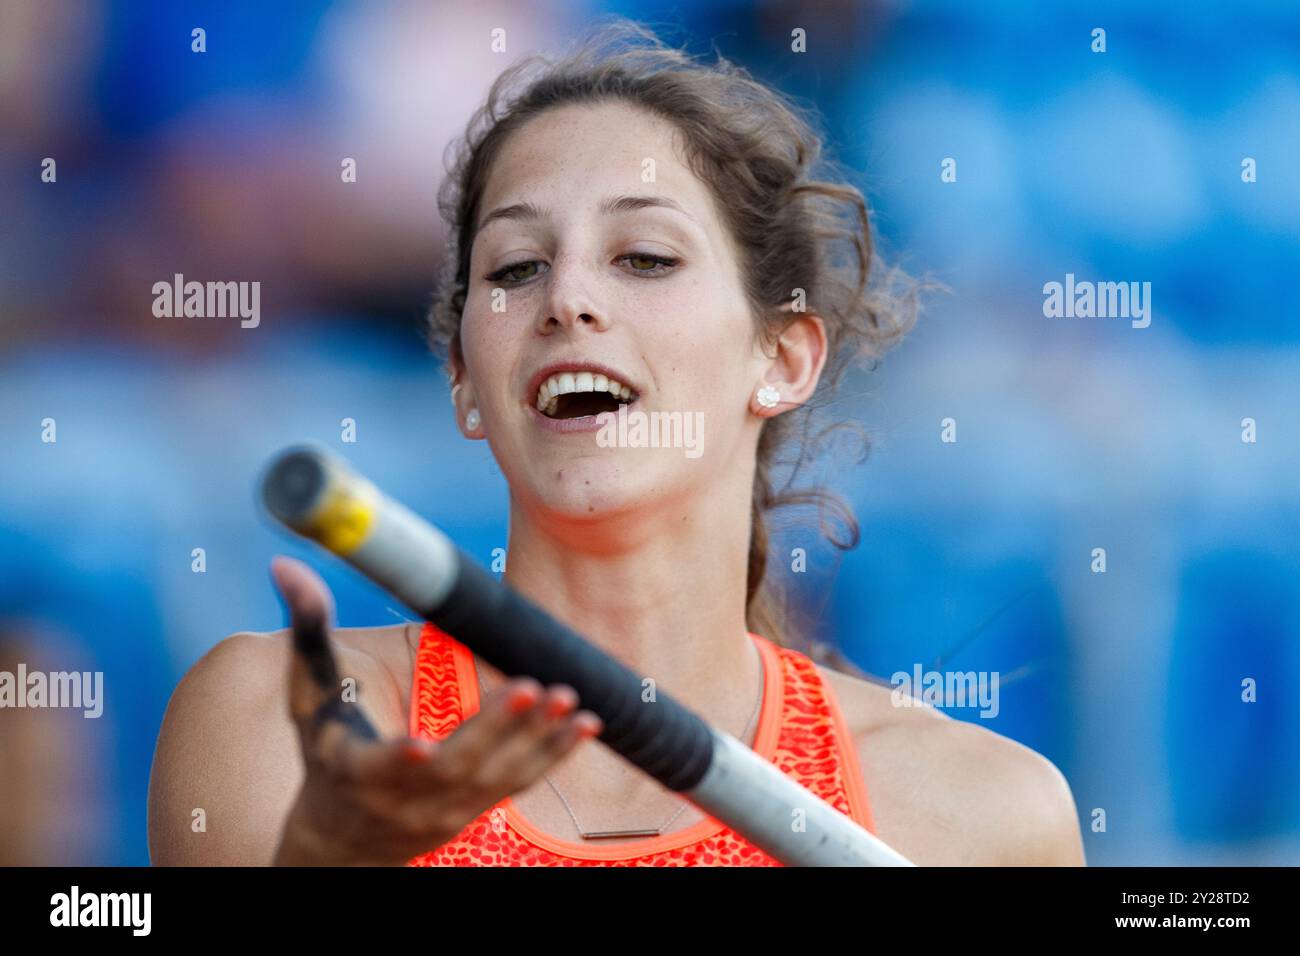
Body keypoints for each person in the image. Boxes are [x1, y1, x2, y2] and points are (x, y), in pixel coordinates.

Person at [148, 18, 1085, 866]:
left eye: (645, 257)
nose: (568, 301)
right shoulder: (275, 721)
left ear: (785, 357)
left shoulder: (981, 815)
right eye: (516, 268)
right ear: (466, 385)